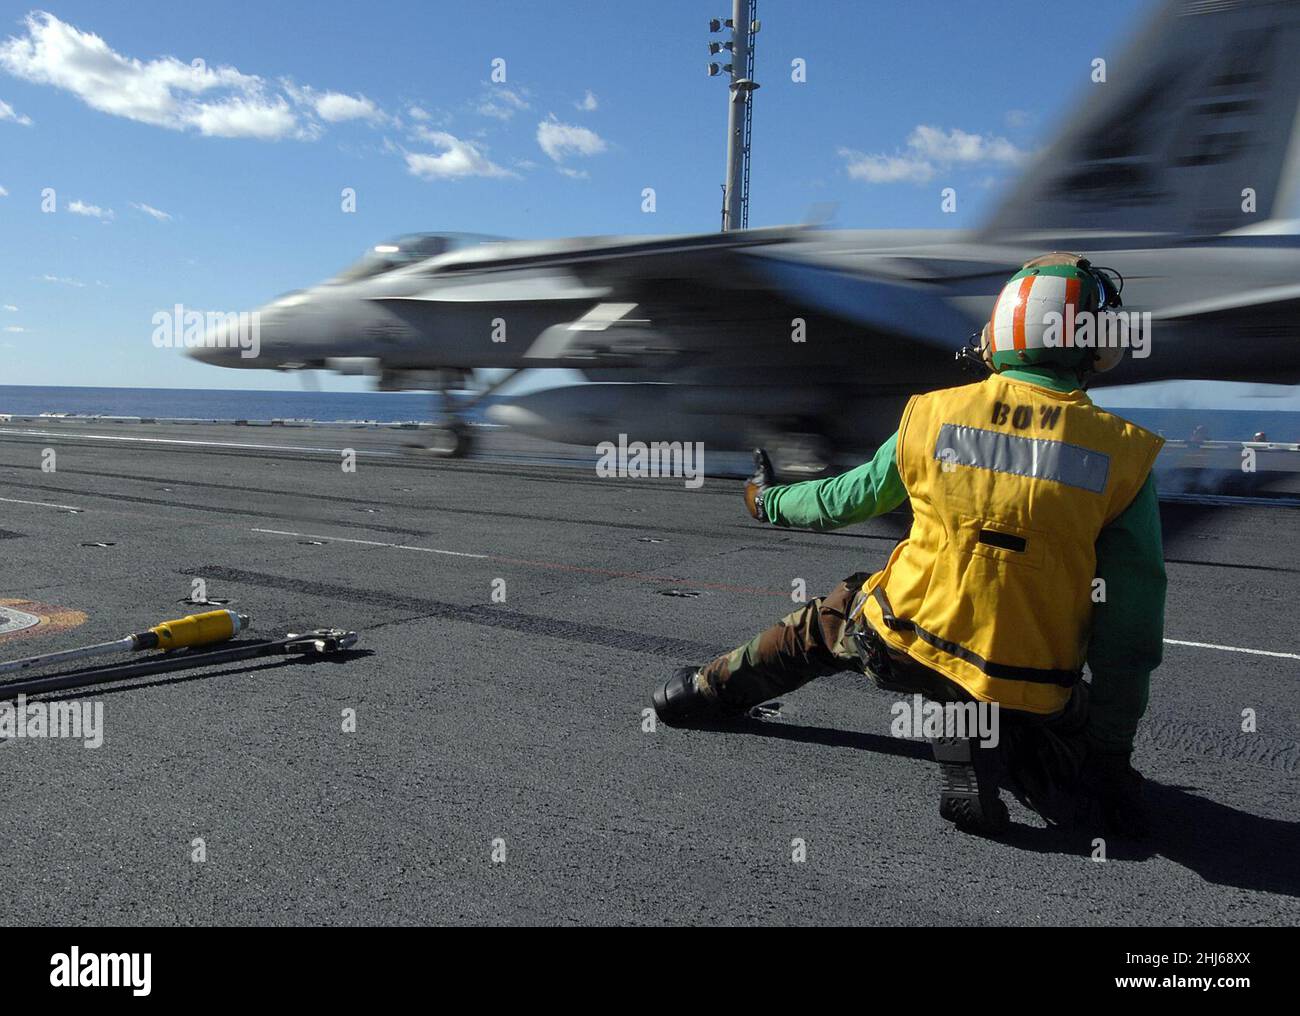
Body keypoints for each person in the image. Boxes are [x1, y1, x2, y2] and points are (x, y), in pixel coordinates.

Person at [651, 253, 1166, 838]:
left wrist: (767, 501)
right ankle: (988, 739)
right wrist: (1110, 753)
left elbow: (845, 499)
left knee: (821, 625)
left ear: (1003, 330)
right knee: (1063, 744)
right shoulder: (1127, 456)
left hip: (902, 638)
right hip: (1029, 679)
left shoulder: (933, 414)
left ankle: (696, 695)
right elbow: (1132, 629)